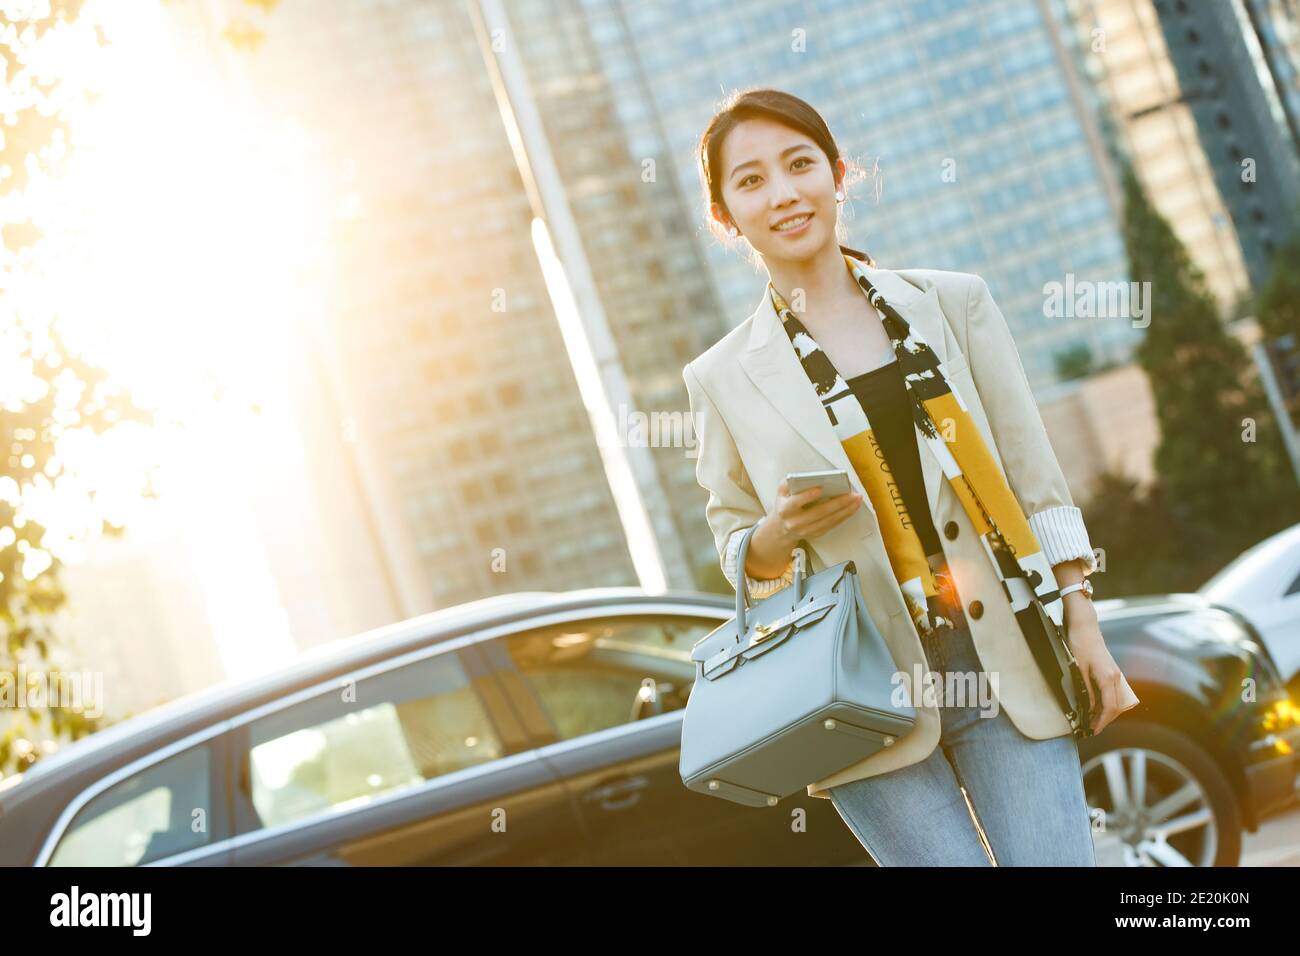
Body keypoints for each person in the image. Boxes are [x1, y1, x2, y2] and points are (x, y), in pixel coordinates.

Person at [685, 87, 1139, 866]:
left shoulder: (954, 304)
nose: (785, 193)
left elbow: (1037, 482)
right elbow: (734, 545)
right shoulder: (720, 376)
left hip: (1003, 653)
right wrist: (773, 536)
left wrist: (1084, 624)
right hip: (857, 689)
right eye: (751, 180)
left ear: (837, 173)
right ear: (726, 214)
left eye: (800, 165)